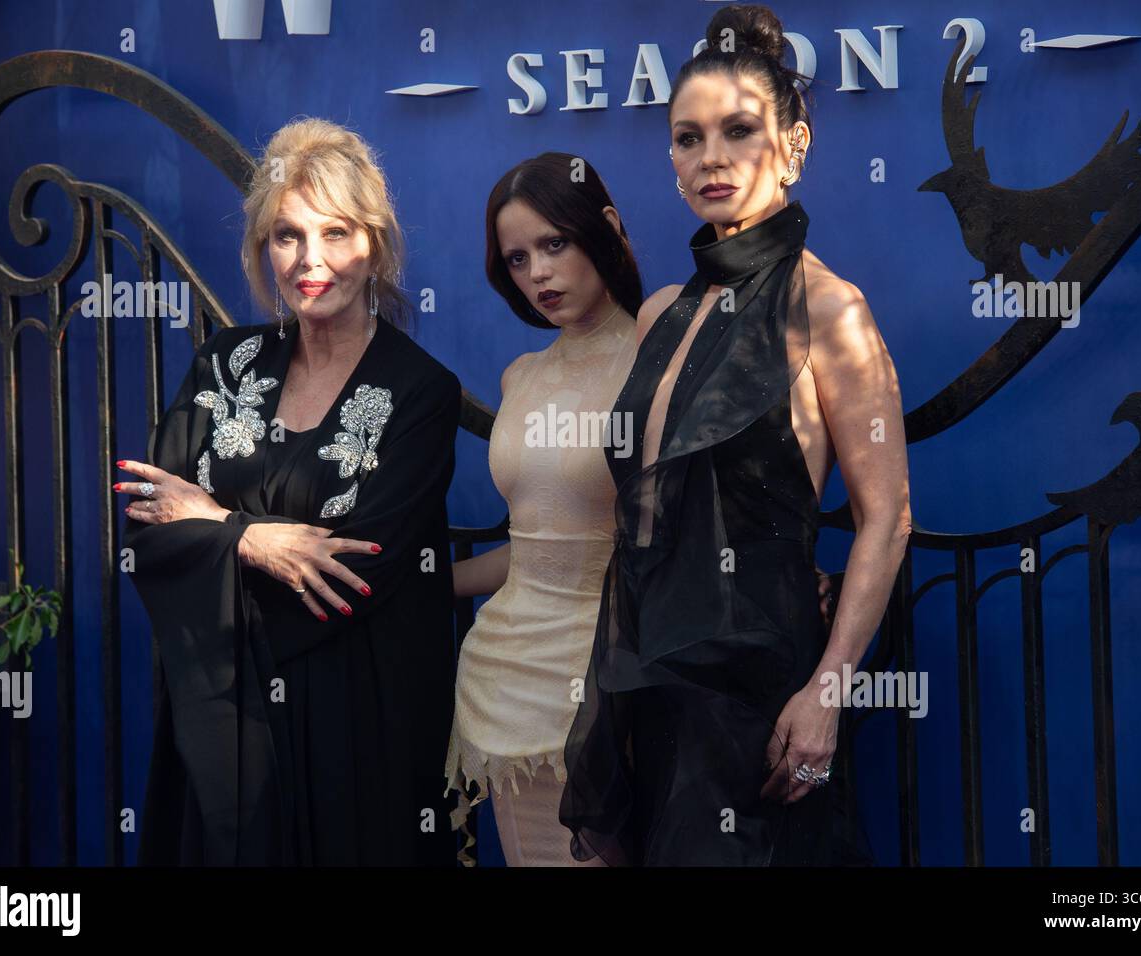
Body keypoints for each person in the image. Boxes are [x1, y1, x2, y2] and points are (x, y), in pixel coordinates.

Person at [560, 4, 912, 866]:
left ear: (794, 144)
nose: (711, 157)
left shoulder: (830, 308)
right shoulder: (657, 316)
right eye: (688, 137)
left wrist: (827, 690)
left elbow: (888, 517)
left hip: (760, 691)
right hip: (641, 676)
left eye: (740, 130)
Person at [118, 118, 462, 865]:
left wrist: (212, 522)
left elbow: (355, 572)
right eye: (286, 236)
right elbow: (147, 524)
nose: (311, 261)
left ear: (375, 244)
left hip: (359, 721)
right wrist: (255, 538)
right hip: (221, 719)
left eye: (336, 233)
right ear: (260, 247)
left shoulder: (421, 392)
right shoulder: (224, 363)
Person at [444, 153, 641, 866]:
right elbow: (536, 554)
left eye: (554, 244)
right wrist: (424, 576)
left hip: (617, 687)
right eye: (518, 258)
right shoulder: (520, 376)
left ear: (606, 229)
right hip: (504, 684)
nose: (538, 274)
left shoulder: (663, 352)